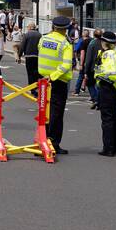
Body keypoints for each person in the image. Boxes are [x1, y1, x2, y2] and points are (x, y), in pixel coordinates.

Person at [38, 16, 74, 154]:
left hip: (43, 80)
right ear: (65, 29)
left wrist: (47, 76)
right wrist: (53, 76)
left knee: (44, 111)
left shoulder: (44, 39)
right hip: (57, 81)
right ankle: (53, 143)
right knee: (56, 114)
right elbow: (66, 65)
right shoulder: (65, 44)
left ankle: (43, 139)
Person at [95, 31, 116, 156]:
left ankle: (108, 148)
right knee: (114, 118)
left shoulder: (107, 54)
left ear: (105, 43)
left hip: (107, 86)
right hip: (115, 88)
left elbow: (109, 73)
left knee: (107, 119)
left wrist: (98, 75)